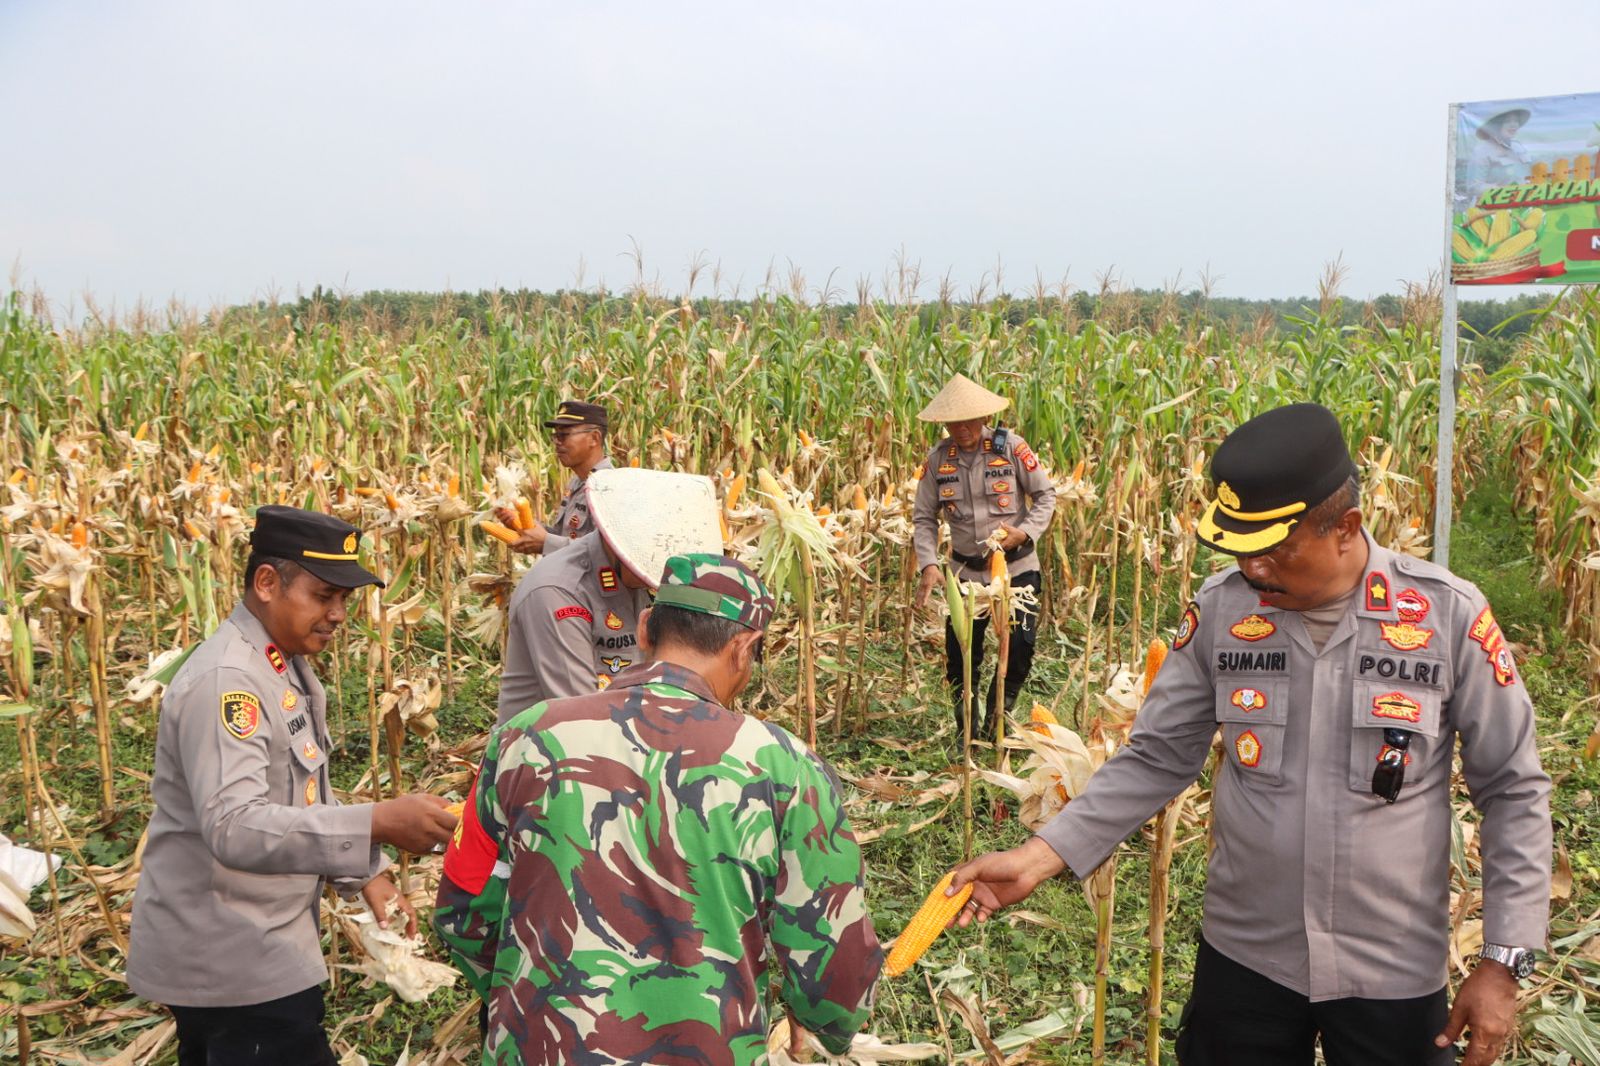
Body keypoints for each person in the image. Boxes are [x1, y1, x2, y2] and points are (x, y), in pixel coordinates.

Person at [948, 403, 1551, 1066]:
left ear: (1345, 528)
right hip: (1246, 959)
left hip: (1392, 969)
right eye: (1240, 550)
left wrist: (1502, 960)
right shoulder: (1220, 611)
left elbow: (1512, 790)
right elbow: (1156, 758)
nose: (1254, 569)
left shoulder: (1446, 616)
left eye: (1273, 550)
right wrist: (1038, 859)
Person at [435, 554, 883, 1063]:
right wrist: (830, 1027)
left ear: (646, 628)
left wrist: (524, 994)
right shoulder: (784, 766)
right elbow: (834, 958)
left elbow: (463, 910)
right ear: (744, 647)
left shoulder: (524, 738)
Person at [127, 506, 459, 1065]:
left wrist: (368, 875)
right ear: (266, 583)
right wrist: (377, 821)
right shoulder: (228, 682)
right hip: (236, 960)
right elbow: (233, 825)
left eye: (344, 600)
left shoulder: (278, 663)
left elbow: (299, 793)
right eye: (323, 595)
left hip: (256, 945)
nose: (337, 614)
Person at [496, 467, 723, 725]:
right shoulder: (558, 592)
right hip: (546, 752)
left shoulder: (636, 580)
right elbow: (583, 716)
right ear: (617, 543)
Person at [911, 372, 1056, 741]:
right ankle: (968, 731)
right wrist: (928, 563)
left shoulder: (1011, 449)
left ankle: (998, 717)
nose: (962, 428)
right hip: (965, 573)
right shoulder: (938, 460)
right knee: (960, 656)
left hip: (1016, 569)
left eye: (969, 420)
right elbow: (924, 517)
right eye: (953, 422)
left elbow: (1046, 496)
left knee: (1021, 647)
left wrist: (1026, 532)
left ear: (983, 417)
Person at [494, 399, 613, 556]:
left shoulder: (609, 488)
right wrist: (524, 526)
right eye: (555, 436)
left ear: (594, 438)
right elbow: (563, 536)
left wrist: (546, 543)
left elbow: (606, 552)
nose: (557, 442)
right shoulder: (576, 482)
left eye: (564, 435)